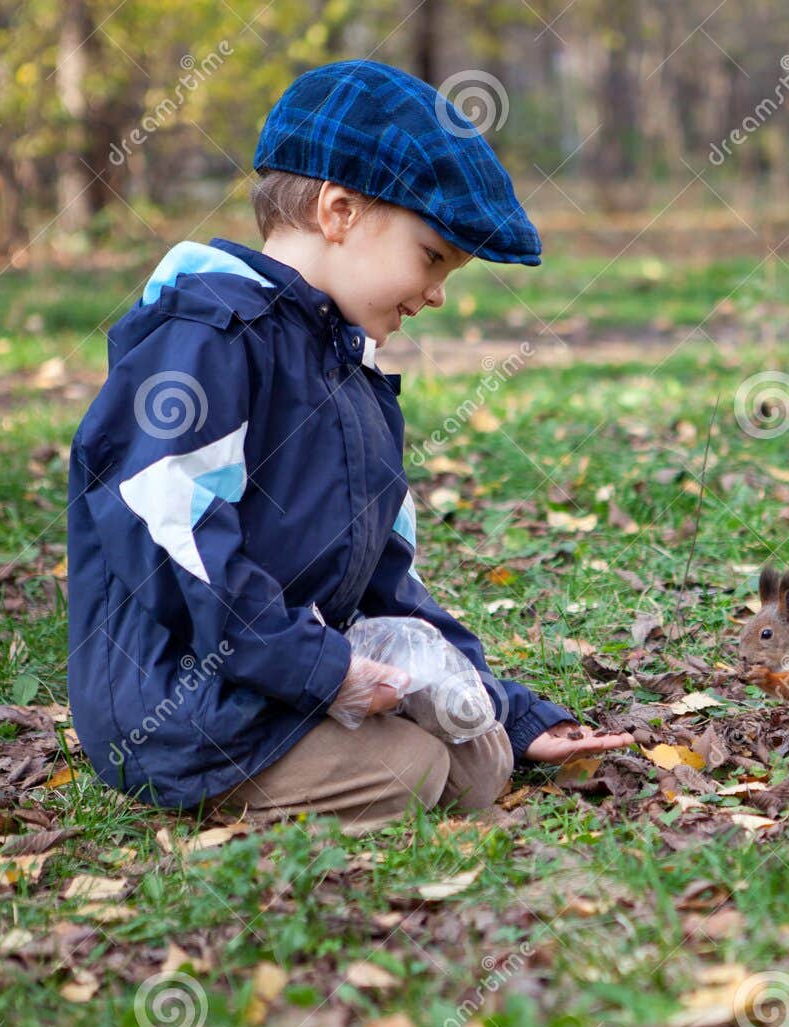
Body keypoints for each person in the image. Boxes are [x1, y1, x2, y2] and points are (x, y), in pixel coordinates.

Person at [66, 60, 629, 835]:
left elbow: (389, 585)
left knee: (483, 760)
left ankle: (385, 744)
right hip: (182, 696)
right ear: (339, 211)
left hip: (290, 677)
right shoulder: (206, 341)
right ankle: (217, 784)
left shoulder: (352, 381)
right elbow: (175, 539)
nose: (436, 294)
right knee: (411, 771)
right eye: (432, 258)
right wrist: (321, 671)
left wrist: (514, 708)